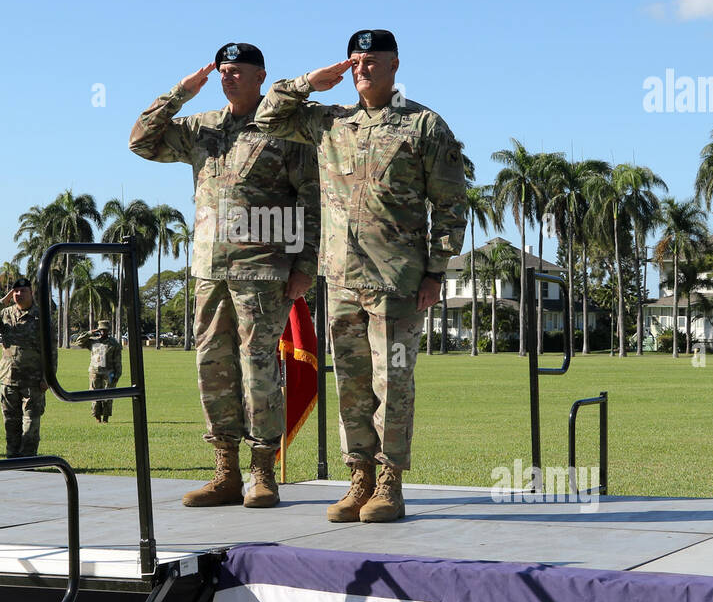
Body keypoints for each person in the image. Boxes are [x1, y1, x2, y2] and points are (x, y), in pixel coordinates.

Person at [255, 30, 468, 522]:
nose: (363, 69)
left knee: (391, 381)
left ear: (395, 64)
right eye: (356, 62)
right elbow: (268, 117)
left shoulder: (423, 124)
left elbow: (451, 204)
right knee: (351, 384)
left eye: (373, 60)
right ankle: (360, 478)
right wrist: (310, 81)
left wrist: (437, 270)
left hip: (398, 280)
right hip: (341, 278)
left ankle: (390, 482)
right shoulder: (330, 122)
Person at [130, 42, 319, 509]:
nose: (228, 78)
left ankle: (262, 473)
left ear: (261, 76)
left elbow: (311, 200)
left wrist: (304, 267)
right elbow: (140, 142)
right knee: (212, 367)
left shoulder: (285, 129)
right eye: (223, 72)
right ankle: (226, 471)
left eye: (238, 71)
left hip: (263, 271)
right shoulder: (202, 128)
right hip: (210, 271)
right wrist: (180, 93)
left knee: (258, 368)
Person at [0, 277, 56, 457]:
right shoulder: (6, 313)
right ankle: (12, 463)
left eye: (23, 291)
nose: (18, 294)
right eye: (15, 291)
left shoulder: (41, 316)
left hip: (33, 382)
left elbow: (51, 350)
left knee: (30, 427)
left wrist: (47, 377)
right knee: (11, 425)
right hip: (9, 378)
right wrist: (1, 303)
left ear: (31, 292)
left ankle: (27, 464)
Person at [75, 320, 122, 423]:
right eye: (101, 330)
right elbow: (79, 342)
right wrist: (89, 333)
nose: (103, 332)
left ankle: (106, 417)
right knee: (95, 395)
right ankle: (97, 417)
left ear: (108, 330)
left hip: (108, 373)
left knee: (108, 396)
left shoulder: (114, 343)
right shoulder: (93, 341)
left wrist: (118, 374)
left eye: (105, 330)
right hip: (94, 373)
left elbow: (118, 360)